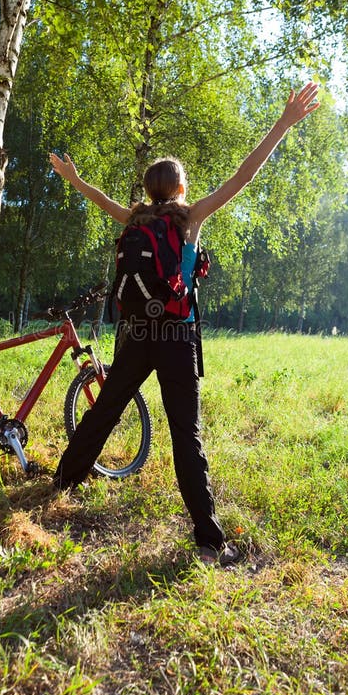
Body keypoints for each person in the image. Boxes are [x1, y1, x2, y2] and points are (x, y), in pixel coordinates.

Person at [49, 82, 320, 566]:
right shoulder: (189, 219)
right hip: (175, 338)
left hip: (134, 334)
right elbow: (243, 177)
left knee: (106, 409)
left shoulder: (133, 219)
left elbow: (98, 199)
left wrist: (72, 178)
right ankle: (210, 541)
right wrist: (282, 124)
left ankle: (64, 481)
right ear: (177, 189)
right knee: (185, 436)